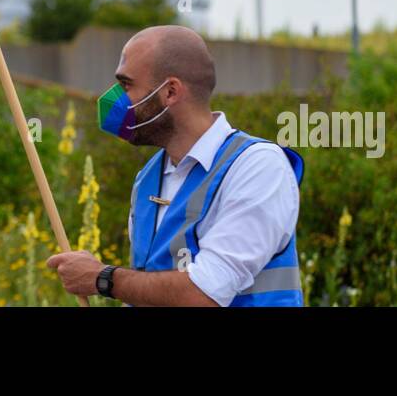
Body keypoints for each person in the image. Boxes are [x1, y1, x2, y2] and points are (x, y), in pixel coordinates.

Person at [47, 25, 304, 306]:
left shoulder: (258, 167)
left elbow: (205, 293)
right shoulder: (148, 178)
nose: (113, 99)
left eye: (126, 84)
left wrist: (102, 278)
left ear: (170, 91)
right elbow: (149, 290)